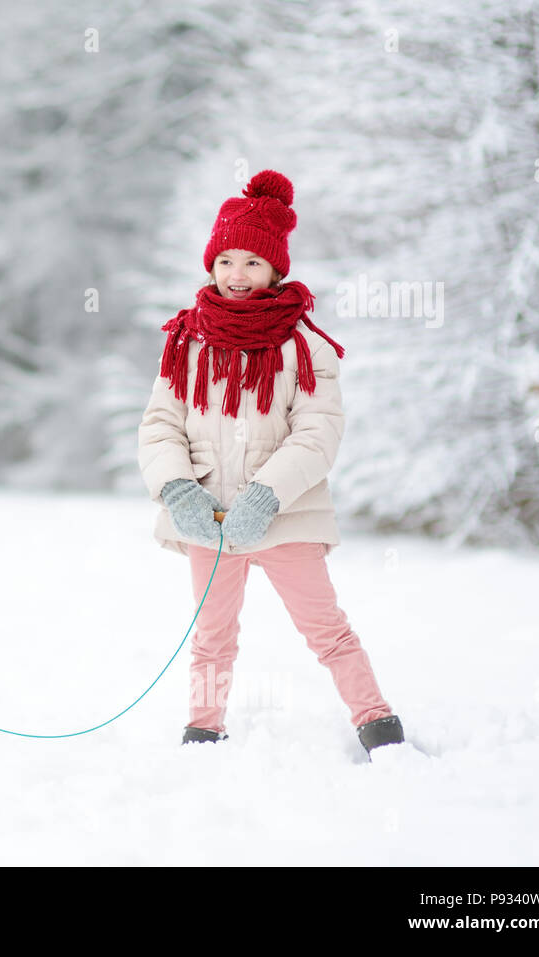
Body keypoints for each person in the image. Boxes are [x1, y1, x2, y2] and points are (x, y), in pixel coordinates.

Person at [138, 170, 405, 758]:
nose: (237, 275)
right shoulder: (188, 340)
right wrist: (178, 489)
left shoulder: (304, 346)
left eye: (253, 263)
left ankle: (378, 723)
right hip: (207, 520)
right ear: (211, 265)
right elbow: (160, 425)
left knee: (326, 629)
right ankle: (203, 729)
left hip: (286, 517)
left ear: (276, 269)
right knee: (211, 637)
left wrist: (265, 496)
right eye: (226, 260)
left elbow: (318, 434)